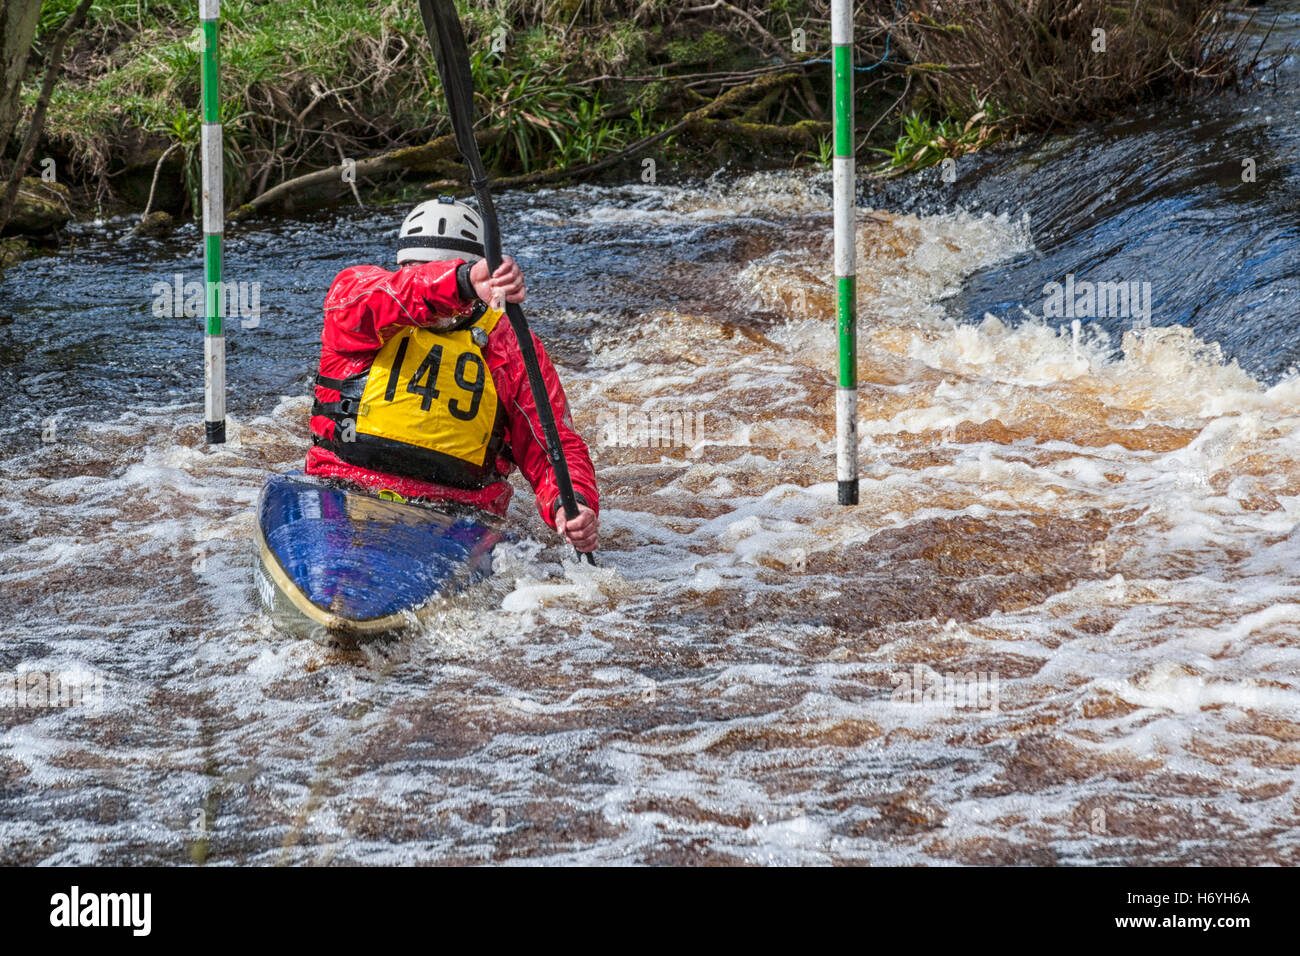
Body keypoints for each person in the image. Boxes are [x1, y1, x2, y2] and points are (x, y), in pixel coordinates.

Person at [305, 197, 599, 553]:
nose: (434, 288)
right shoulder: (360, 298)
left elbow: (551, 444)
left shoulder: (512, 345)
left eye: (441, 269)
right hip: (345, 489)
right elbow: (395, 294)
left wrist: (573, 503)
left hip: (460, 516)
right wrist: (459, 281)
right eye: (419, 270)